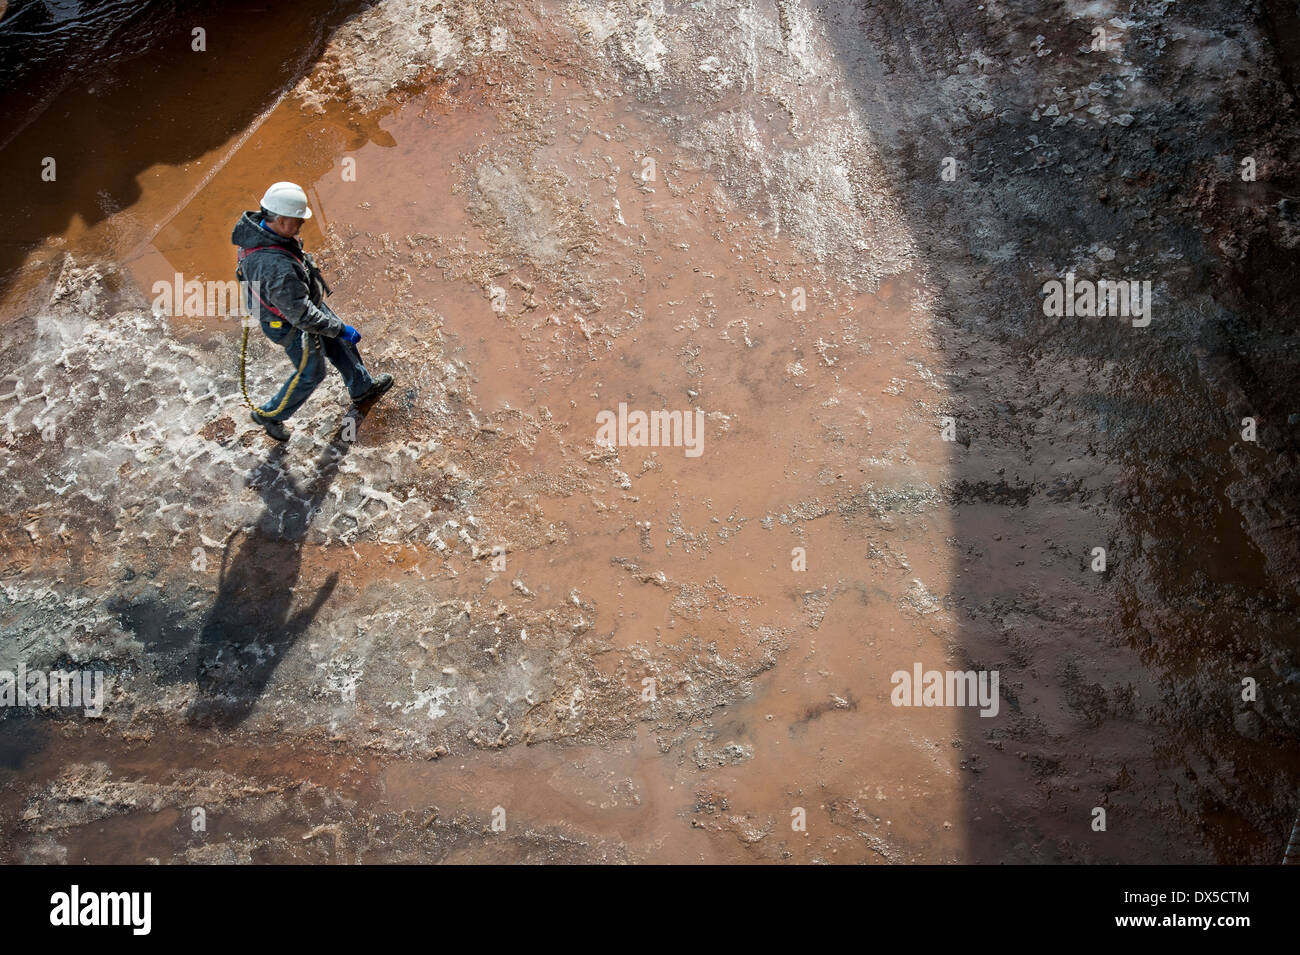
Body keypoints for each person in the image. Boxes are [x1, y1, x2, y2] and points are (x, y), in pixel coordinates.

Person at [232, 181, 393, 440]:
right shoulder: (276, 267)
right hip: (291, 324)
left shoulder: (260, 232)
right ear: (281, 220)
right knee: (311, 373)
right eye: (298, 221)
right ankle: (271, 415)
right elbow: (303, 317)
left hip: (299, 305)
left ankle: (362, 387)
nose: (301, 226)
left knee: (340, 344)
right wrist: (340, 327)